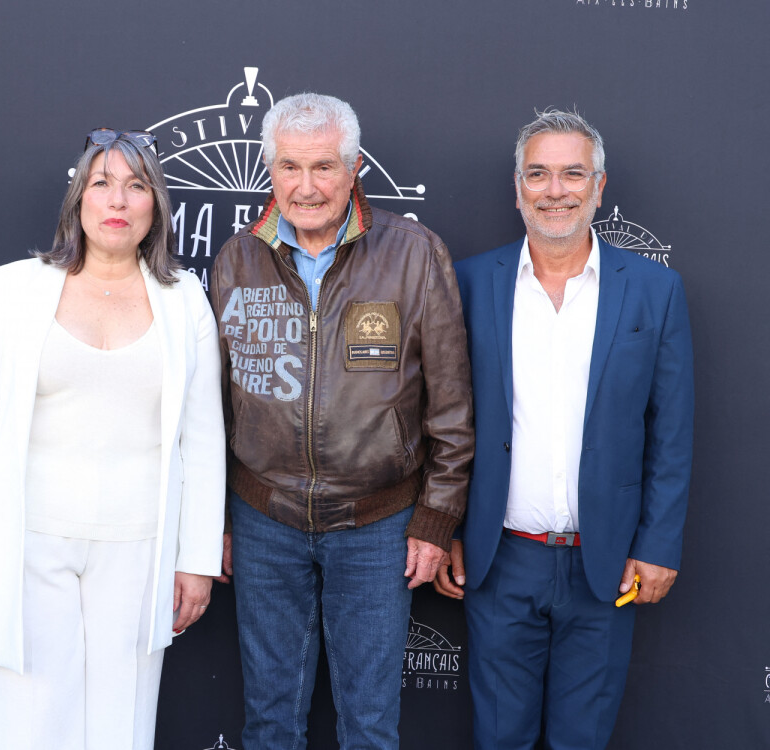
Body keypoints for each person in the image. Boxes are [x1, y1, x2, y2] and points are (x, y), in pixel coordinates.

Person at [0, 129, 225, 750]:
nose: (119, 200)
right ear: (78, 200)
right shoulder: (13, 288)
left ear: (156, 205)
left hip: (140, 550)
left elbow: (202, 438)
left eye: (137, 185)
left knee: (121, 726)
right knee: (23, 725)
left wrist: (195, 559)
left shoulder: (184, 299)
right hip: (23, 542)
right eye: (102, 183)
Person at [210, 93, 474, 749]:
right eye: (290, 167)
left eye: (324, 166)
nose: (306, 187)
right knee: (270, 723)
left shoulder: (413, 254)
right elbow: (208, 405)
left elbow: (451, 404)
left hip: (377, 525)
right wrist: (210, 519)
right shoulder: (237, 258)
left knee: (370, 726)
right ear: (270, 169)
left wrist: (436, 518)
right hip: (262, 520)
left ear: (354, 168)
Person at [437, 108, 694, 749]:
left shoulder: (655, 292)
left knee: (583, 739)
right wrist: (444, 529)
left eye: (573, 174)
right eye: (539, 174)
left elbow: (672, 431)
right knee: (500, 737)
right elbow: (438, 418)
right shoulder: (468, 283)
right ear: (517, 187)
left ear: (599, 187)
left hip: (607, 566)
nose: (556, 190)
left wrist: (659, 543)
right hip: (499, 560)